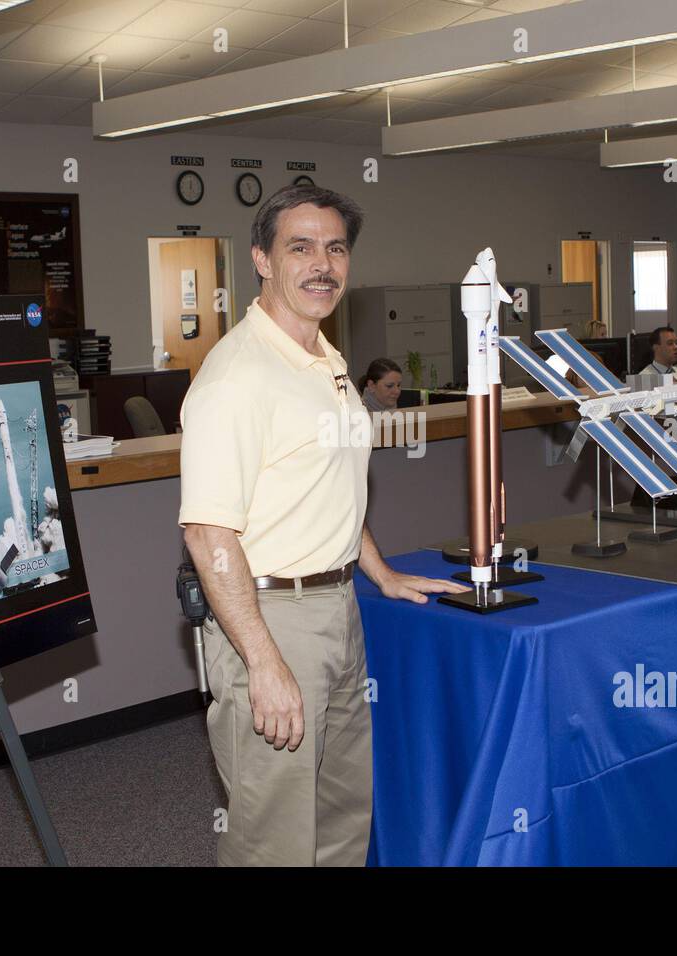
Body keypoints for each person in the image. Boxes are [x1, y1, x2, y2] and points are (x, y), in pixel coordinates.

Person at [178, 184, 467, 867]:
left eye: (335, 248)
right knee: (273, 839)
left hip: (337, 609)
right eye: (300, 247)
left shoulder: (328, 361)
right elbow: (208, 534)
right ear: (262, 260)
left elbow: (331, 486)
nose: (322, 264)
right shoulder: (237, 377)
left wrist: (379, 571)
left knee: (341, 819)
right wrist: (264, 661)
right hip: (271, 619)